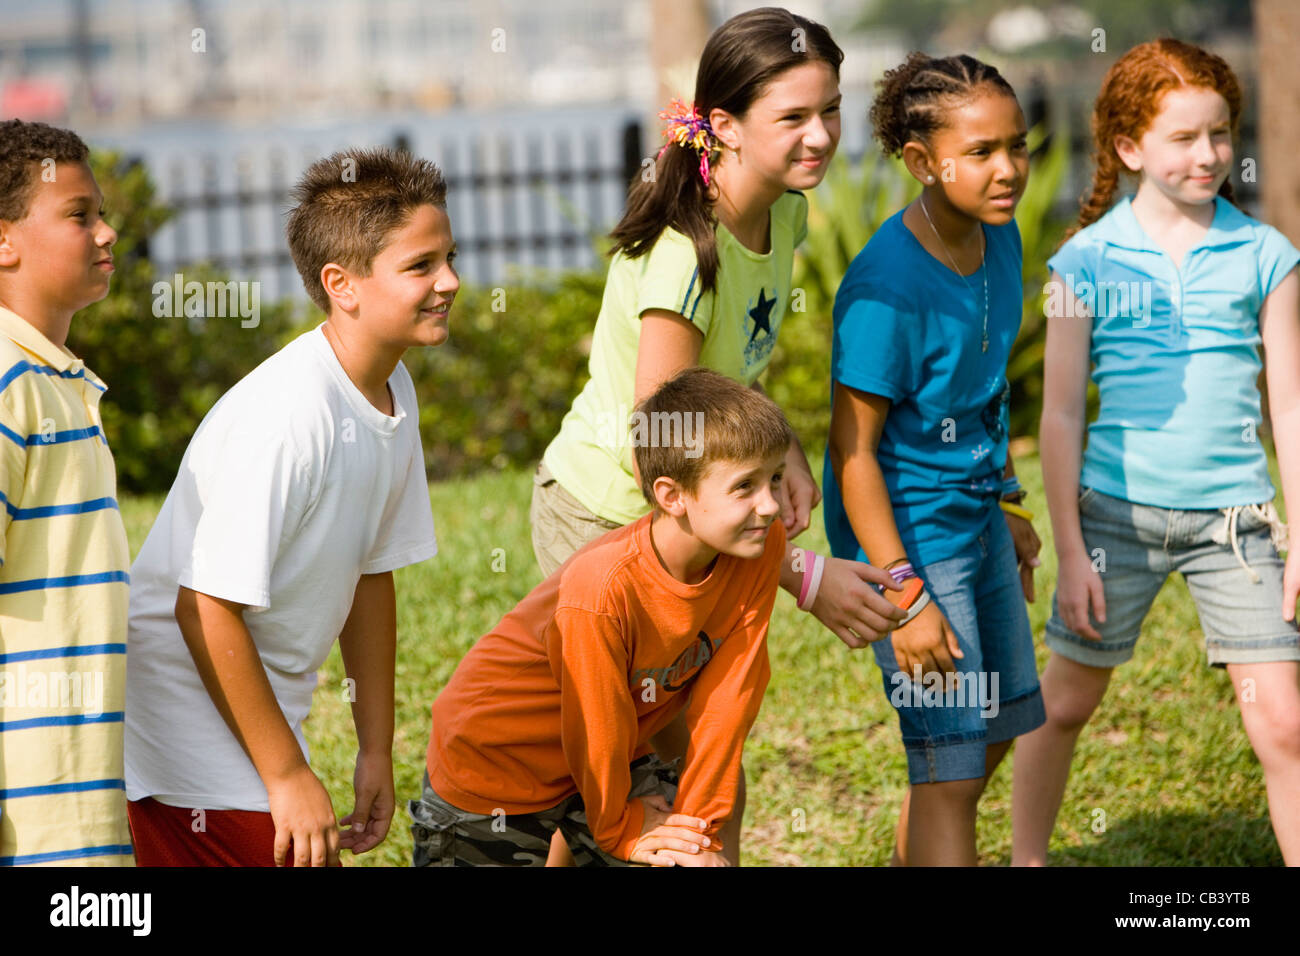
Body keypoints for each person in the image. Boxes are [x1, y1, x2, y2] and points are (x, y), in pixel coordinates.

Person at [531, 5, 905, 865]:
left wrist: (787, 454)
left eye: (831, 109)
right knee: (601, 772)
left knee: (704, 755)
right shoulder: (682, 253)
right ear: (725, 127)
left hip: (688, 516)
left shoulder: (788, 216)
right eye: (794, 118)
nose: (821, 136)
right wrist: (800, 571)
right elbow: (665, 436)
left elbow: (731, 373)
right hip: (607, 514)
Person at [1012, 38, 1300, 865]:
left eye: (1220, 135)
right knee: (1063, 705)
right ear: (1130, 148)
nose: (1208, 155)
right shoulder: (1085, 261)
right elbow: (1061, 415)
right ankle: (1026, 860)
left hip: (1237, 528)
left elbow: (1289, 402)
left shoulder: (1266, 255)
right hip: (1116, 518)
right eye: (1183, 138)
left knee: (1281, 721)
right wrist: (1072, 551)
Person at [124, 147, 450, 866]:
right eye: (421, 266)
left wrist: (374, 749)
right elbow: (202, 604)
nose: (450, 282)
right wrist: (286, 773)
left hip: (255, 710)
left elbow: (371, 575)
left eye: (447, 258)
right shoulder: (290, 414)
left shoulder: (393, 392)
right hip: (182, 718)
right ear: (343, 285)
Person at [414, 368, 789, 866]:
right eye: (746, 486)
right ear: (672, 495)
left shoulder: (759, 548)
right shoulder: (602, 585)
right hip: (495, 769)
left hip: (606, 765)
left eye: (776, 478)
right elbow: (597, 723)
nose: (770, 505)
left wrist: (697, 831)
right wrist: (620, 829)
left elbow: (730, 699)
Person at [824, 53, 1046, 866]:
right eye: (982, 151)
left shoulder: (1000, 235)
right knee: (949, 770)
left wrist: (1011, 502)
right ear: (923, 162)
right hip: (909, 541)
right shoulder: (884, 286)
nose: (1009, 169)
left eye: (1016, 146)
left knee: (987, 739)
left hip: (978, 519)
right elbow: (854, 455)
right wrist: (905, 595)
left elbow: (985, 382)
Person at [0, 120, 133, 866]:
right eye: (79, 215)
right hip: (31, 817)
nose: (107, 232)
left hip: (79, 804)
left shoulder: (55, 380)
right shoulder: (8, 383)